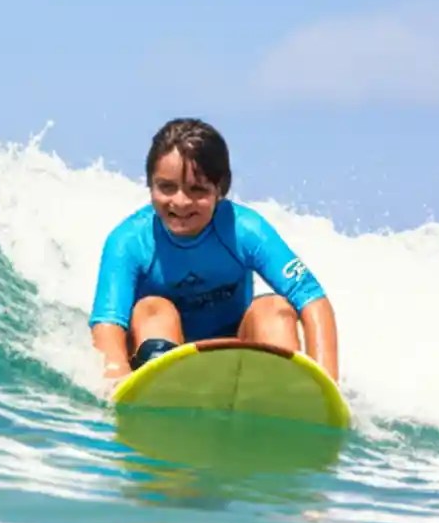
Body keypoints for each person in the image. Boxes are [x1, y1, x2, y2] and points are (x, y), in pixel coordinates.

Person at [88, 118, 340, 387]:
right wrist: (115, 375)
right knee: (153, 308)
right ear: (150, 184)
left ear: (220, 189)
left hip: (232, 359)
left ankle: (281, 388)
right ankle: (164, 386)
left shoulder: (244, 229)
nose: (181, 202)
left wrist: (326, 384)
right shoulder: (128, 241)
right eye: (167, 187)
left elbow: (312, 298)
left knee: (273, 308)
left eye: (197, 190)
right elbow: (107, 323)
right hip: (156, 361)